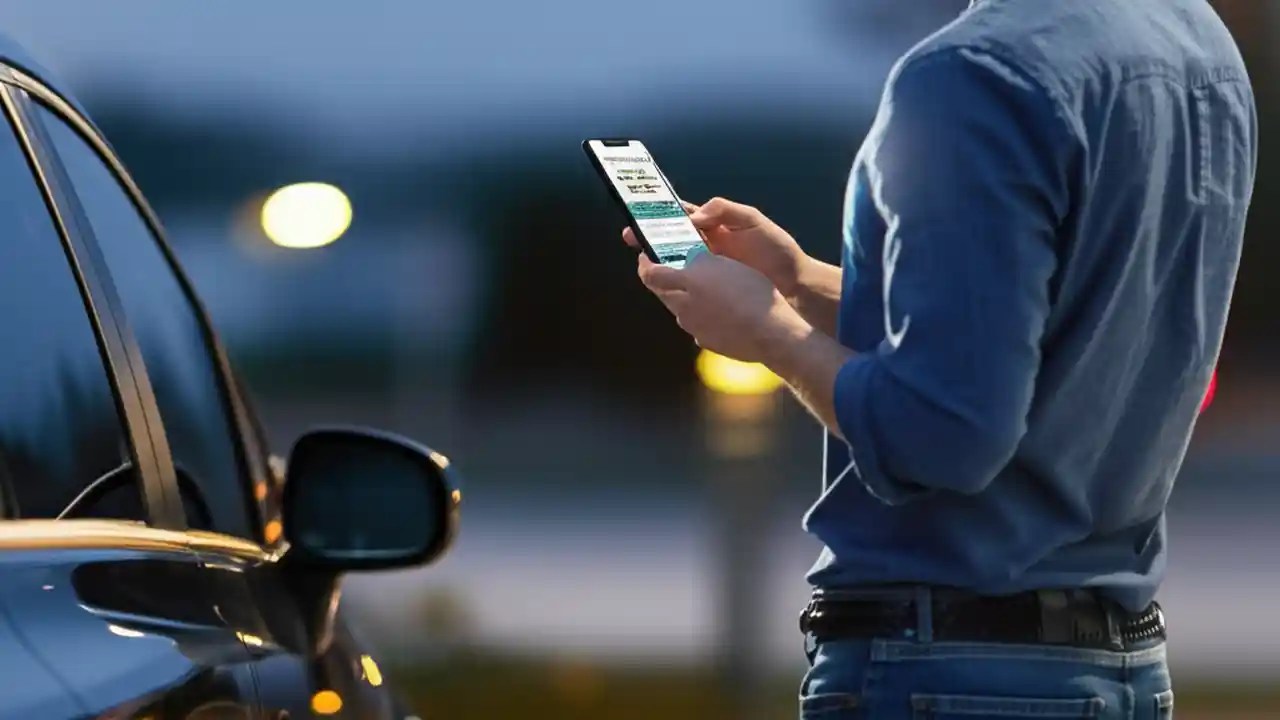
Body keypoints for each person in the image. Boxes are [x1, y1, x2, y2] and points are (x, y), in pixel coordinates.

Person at [623, 0, 1255, 716]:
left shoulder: (972, 75)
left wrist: (768, 333)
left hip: (945, 671)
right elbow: (1033, 335)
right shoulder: (1199, 46)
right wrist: (797, 281)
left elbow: (943, 435)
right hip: (1122, 669)